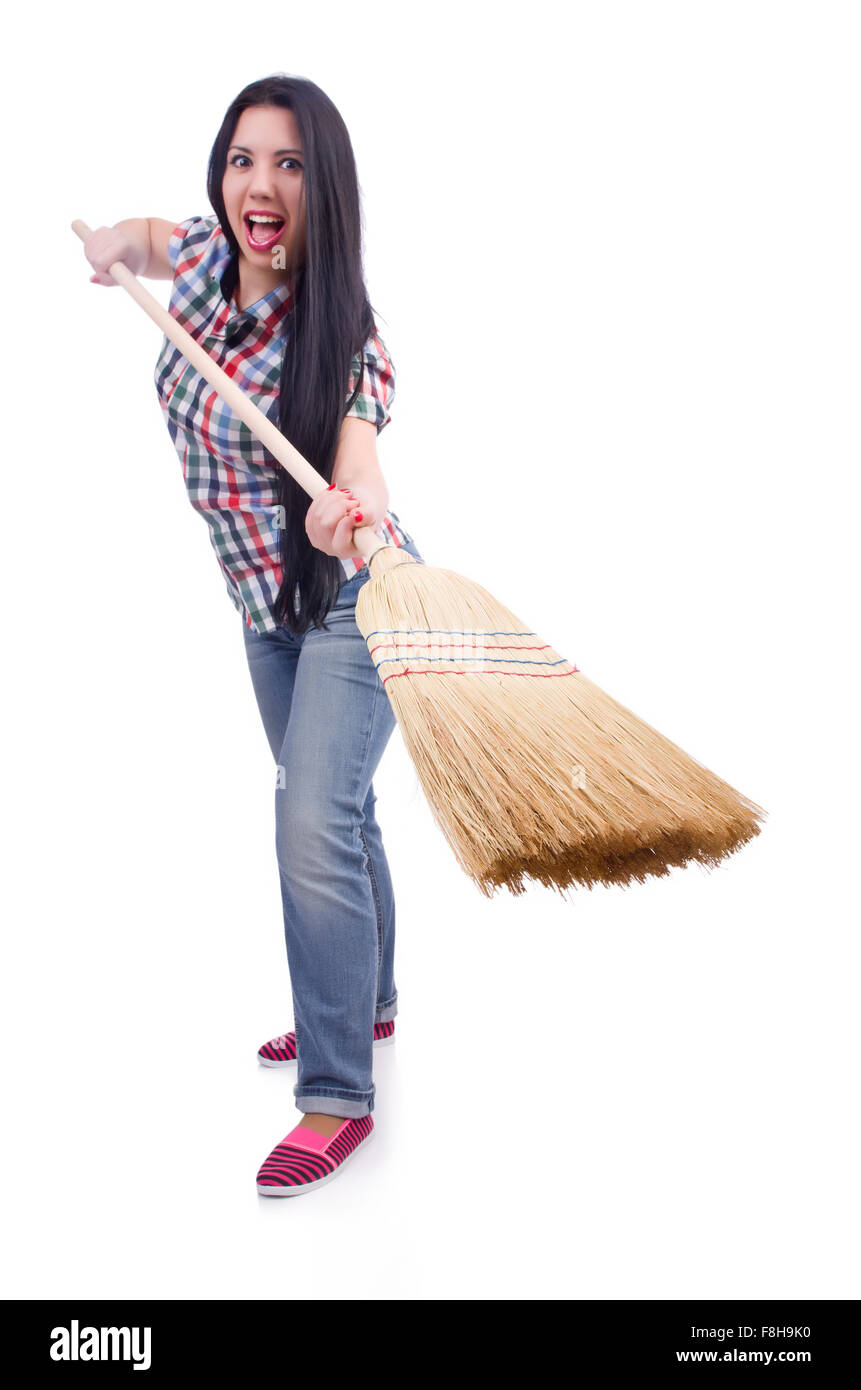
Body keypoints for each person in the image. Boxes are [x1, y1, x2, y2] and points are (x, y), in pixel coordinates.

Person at [84, 73, 424, 1198]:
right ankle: (364, 1001)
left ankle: (336, 1094)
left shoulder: (344, 328)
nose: (259, 185)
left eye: (287, 164)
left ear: (322, 188)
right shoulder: (197, 256)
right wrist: (109, 248)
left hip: (351, 591)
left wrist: (351, 505)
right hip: (262, 609)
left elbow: (360, 450)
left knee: (309, 819)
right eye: (242, 159)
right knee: (341, 806)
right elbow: (143, 231)